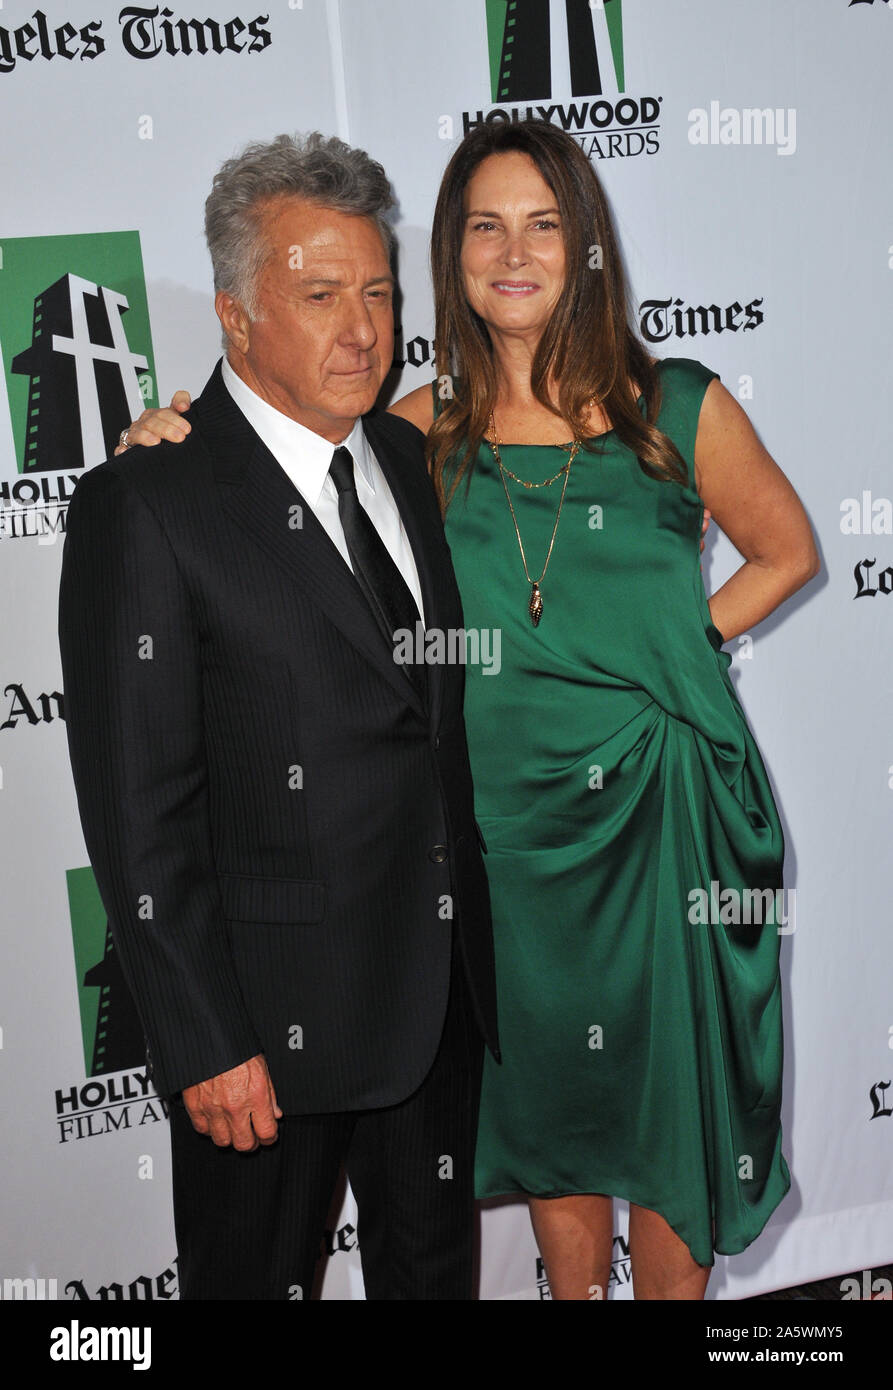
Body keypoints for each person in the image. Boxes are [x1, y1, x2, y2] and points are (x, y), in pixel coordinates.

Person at [121, 120, 818, 1300]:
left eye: (543, 224)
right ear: (450, 254)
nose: (513, 251)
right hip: (498, 851)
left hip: (654, 828)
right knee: (551, 1120)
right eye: (484, 226)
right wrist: (165, 435)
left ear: (584, 244)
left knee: (665, 1126)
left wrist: (668, 658)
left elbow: (786, 550)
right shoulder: (408, 432)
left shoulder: (676, 405)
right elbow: (267, 458)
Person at [58, 131, 499, 1301]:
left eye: (376, 292)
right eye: (318, 296)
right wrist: (204, 1040)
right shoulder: (146, 504)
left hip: (433, 1002)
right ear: (235, 315)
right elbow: (137, 809)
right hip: (264, 1040)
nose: (362, 329)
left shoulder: (402, 456)